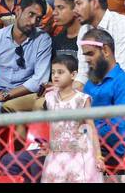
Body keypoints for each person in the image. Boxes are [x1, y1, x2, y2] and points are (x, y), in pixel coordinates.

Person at [78, 26, 125, 165]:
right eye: (85, 55)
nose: (87, 60)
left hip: (112, 151)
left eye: (90, 53)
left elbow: (120, 126)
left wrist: (87, 135)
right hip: (88, 145)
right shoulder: (90, 84)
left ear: (105, 50)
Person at [39, 55, 104, 183]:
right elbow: (53, 127)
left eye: (60, 72)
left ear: (73, 75)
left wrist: (98, 155)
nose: (55, 76)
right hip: (56, 153)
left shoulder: (82, 99)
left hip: (79, 153)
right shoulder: (49, 98)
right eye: (53, 72)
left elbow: (91, 128)